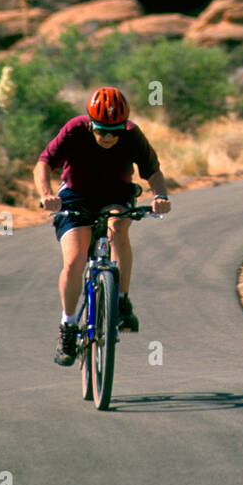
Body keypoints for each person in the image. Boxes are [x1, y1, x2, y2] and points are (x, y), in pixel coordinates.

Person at [33, 86, 171, 366]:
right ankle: (68, 326)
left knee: (118, 227)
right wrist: (46, 194)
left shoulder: (132, 134)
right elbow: (44, 163)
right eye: (102, 131)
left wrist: (161, 196)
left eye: (115, 131)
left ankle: (121, 301)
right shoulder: (74, 130)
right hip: (74, 196)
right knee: (75, 259)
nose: (109, 137)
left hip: (116, 194)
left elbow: (153, 172)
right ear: (90, 124)